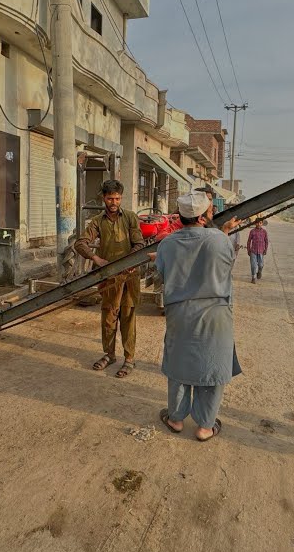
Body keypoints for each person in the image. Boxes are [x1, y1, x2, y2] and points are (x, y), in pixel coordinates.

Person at [156, 192, 241, 442]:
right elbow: (224, 262)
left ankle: (176, 418)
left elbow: (162, 271)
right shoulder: (221, 240)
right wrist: (222, 232)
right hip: (216, 314)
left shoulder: (167, 244)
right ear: (204, 216)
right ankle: (205, 426)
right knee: (212, 365)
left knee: (179, 365)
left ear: (181, 217)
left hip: (180, 314)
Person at [74, 179, 145, 379]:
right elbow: (80, 243)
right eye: (110, 198)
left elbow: (139, 244)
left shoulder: (130, 218)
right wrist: (95, 258)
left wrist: (130, 262)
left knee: (128, 318)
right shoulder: (97, 221)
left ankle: (129, 359)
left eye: (117, 198)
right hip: (108, 279)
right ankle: (109, 355)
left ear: (121, 198)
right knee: (108, 318)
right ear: (103, 198)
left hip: (129, 277)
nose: (114, 202)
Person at [247, 218, 269, 284]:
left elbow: (266, 241)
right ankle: (253, 278)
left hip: (261, 251)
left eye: (260, 223)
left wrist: (265, 249)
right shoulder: (252, 231)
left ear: (262, 223)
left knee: (261, 265)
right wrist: (248, 249)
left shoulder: (264, 232)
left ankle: (259, 271)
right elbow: (249, 241)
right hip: (253, 251)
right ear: (255, 223)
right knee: (253, 265)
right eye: (257, 223)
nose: (258, 224)